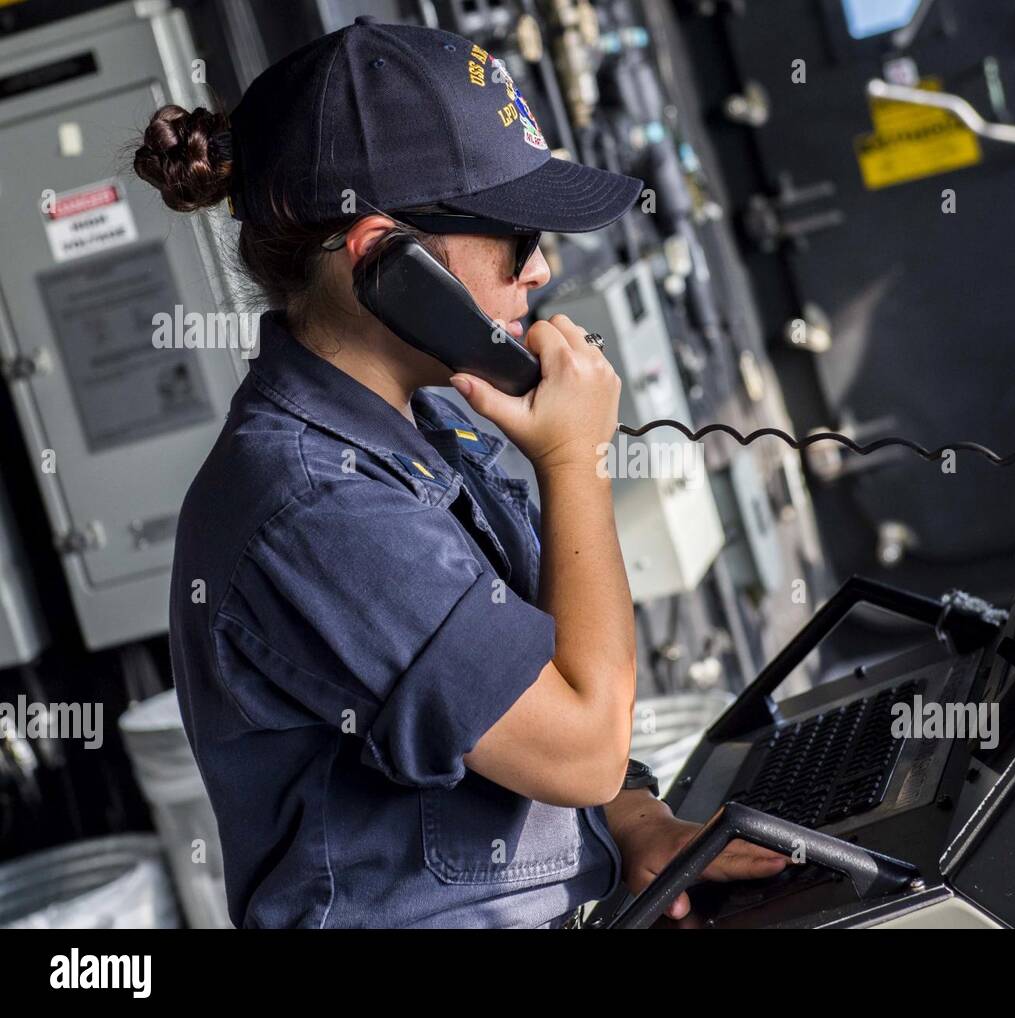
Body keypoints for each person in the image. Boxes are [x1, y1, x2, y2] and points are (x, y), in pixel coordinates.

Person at [135, 16, 787, 928]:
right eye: (518, 237)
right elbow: (582, 748)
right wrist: (574, 460)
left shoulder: (438, 420)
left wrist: (634, 819)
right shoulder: (315, 506)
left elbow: (557, 696)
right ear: (384, 259)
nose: (543, 268)